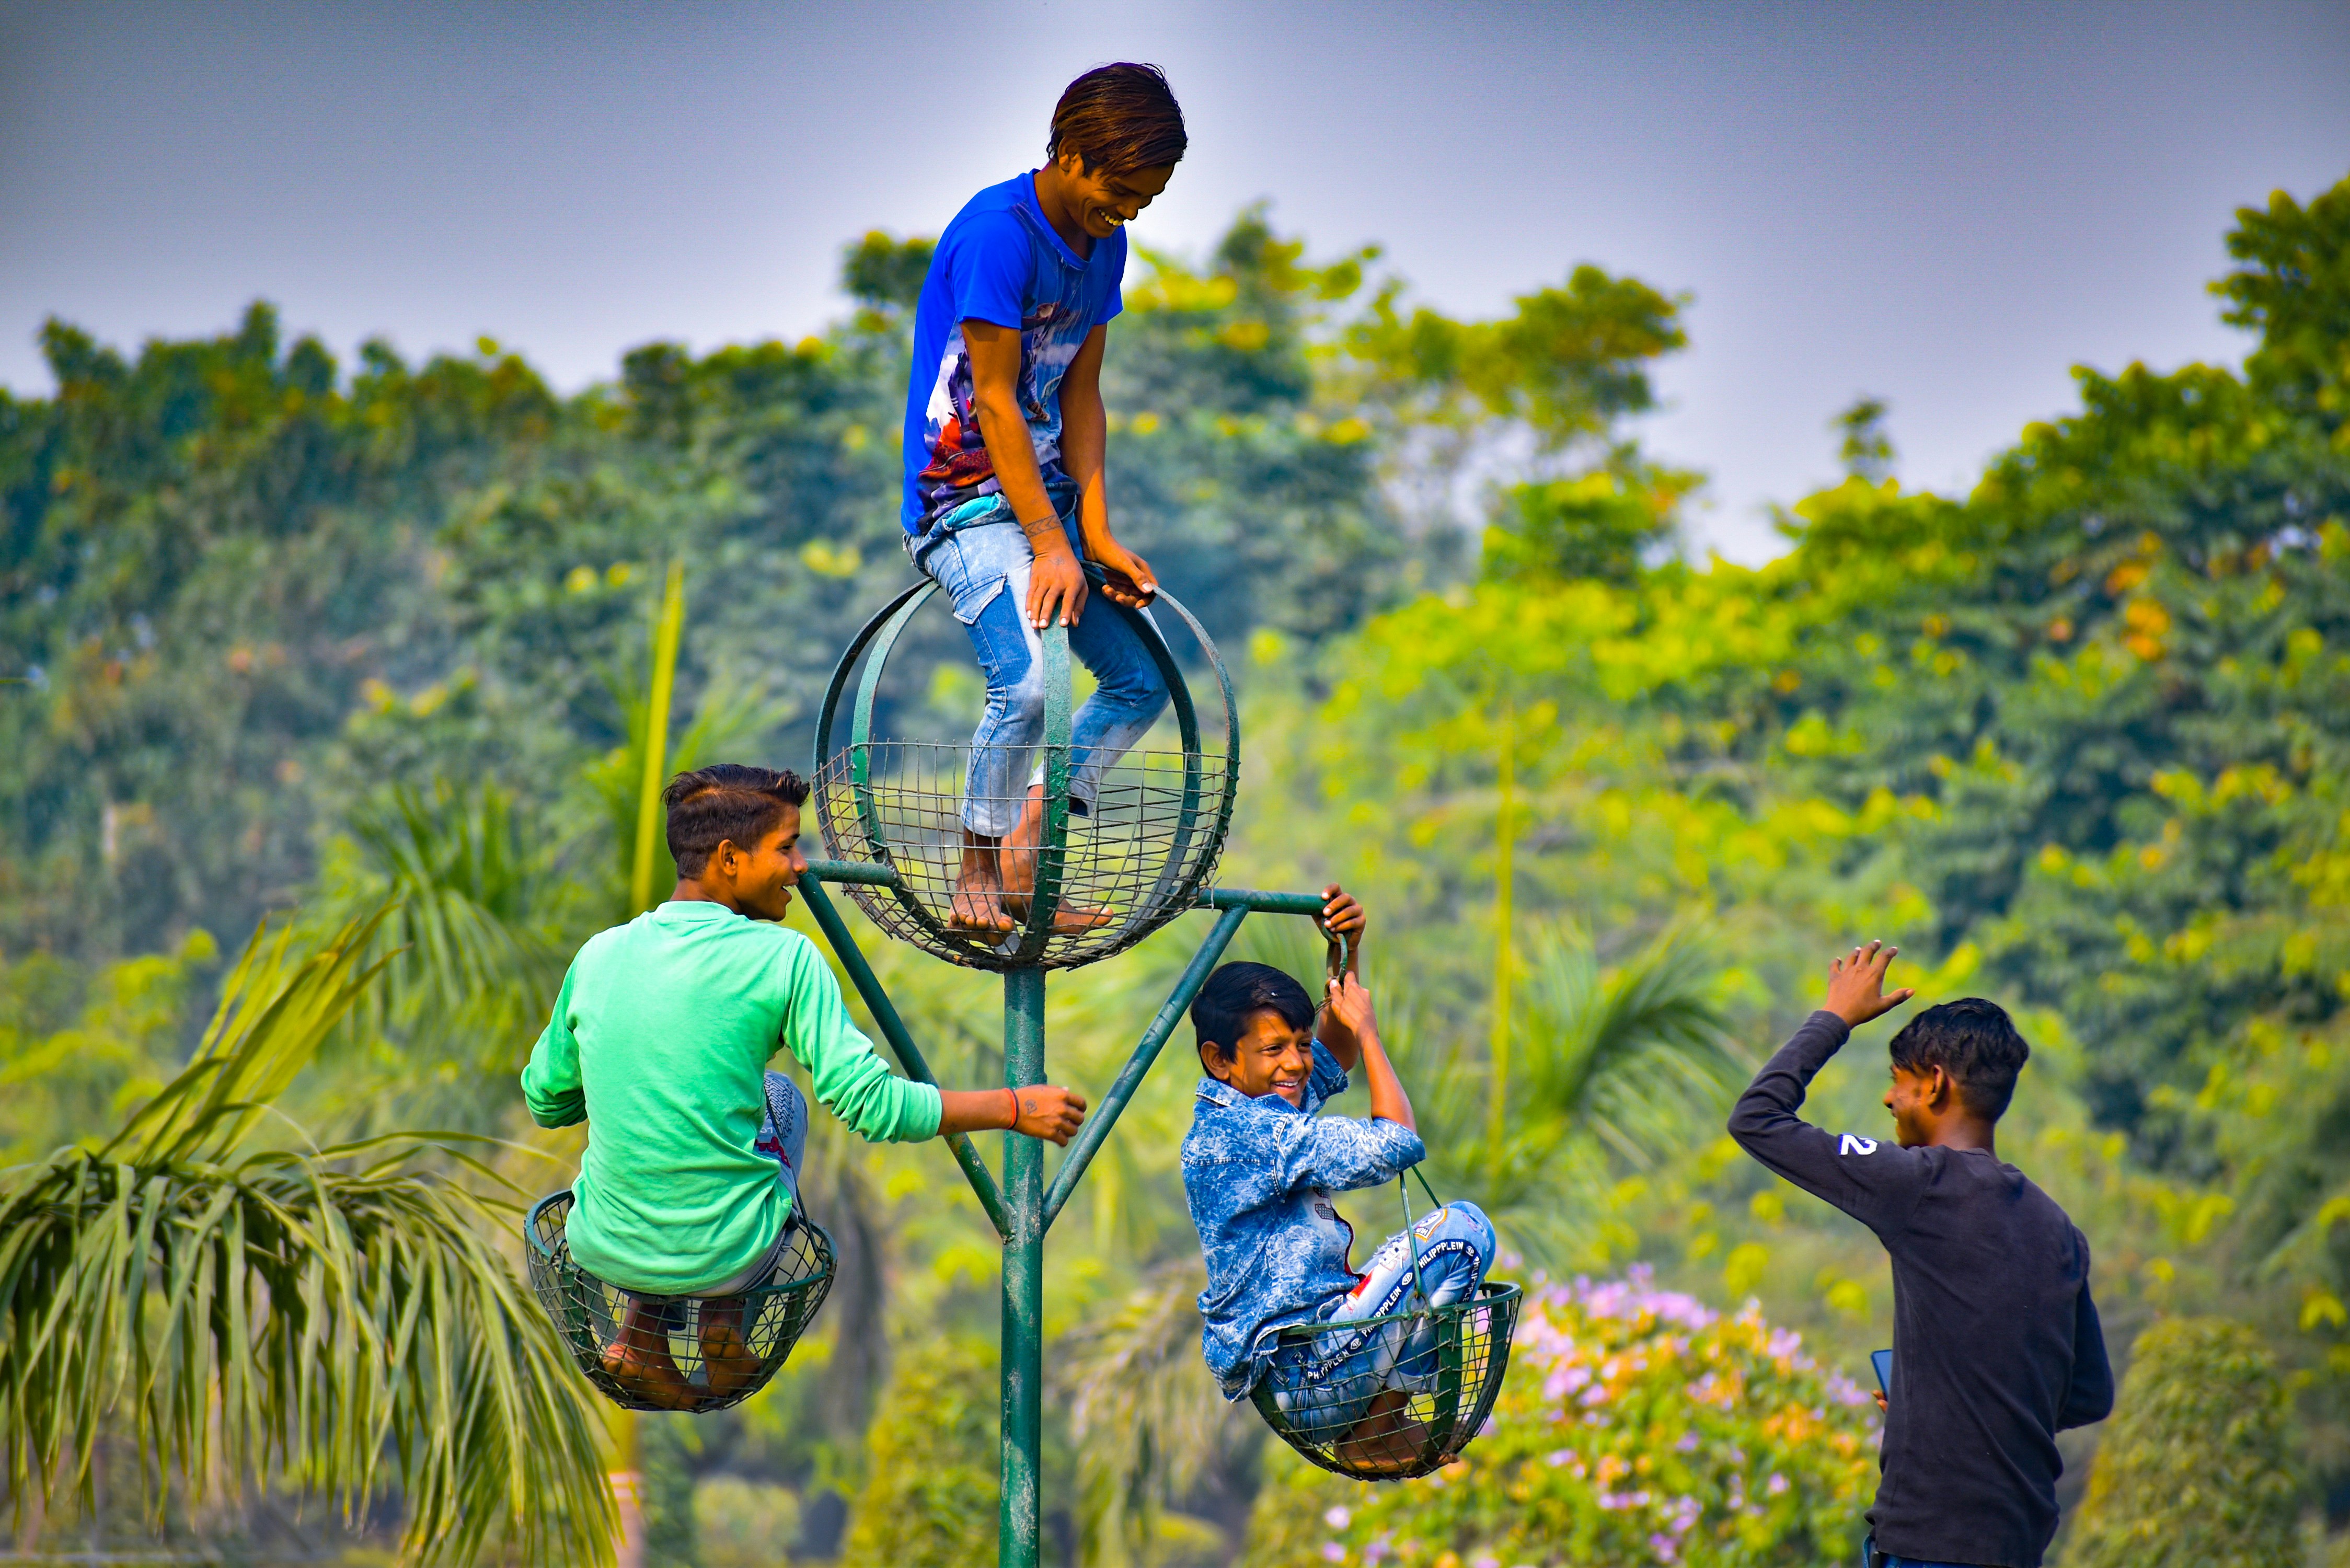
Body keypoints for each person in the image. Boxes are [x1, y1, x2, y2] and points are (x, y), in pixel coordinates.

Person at [521, 764, 1089, 1408]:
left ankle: (641, 1335)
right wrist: (1015, 1107)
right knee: (781, 1098)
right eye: (786, 848)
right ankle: (720, 1322)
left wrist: (631, 1075)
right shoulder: (784, 959)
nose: (800, 868)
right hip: (729, 1257)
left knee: (649, 1106)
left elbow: (546, 1100)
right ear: (730, 860)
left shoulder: (599, 955)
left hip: (606, 1248)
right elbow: (872, 1106)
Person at [898, 63, 1186, 935]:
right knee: (1024, 689)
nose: (1131, 212)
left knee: (1141, 680)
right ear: (1068, 153)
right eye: (1120, 190)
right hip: (964, 500)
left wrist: (1091, 532)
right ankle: (975, 872)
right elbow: (992, 401)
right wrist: (1049, 546)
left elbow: (1080, 395)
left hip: (1046, 503)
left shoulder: (1107, 245)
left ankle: (1030, 845)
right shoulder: (999, 234)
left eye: (1148, 197)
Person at [1727, 940, 2114, 1568]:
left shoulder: (1916, 1184)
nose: (1887, 1101)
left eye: (1895, 1082)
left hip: (1926, 1545)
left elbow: (1758, 1118)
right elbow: (2087, 1396)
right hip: (2017, 1547)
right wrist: (1940, 1399)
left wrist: (1835, 1018)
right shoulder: (2057, 1228)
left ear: (1933, 1085)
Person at [1180, 890, 1497, 1473]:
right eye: (1273, 1049)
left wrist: (1347, 953)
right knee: (1460, 1232)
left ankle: (1377, 1420)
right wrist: (1370, 1033)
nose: (1296, 1063)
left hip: (1327, 1362)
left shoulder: (1257, 1110)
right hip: (1308, 1378)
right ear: (1220, 1060)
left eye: (1298, 1045)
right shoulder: (1250, 1135)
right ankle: (1374, 1426)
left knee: (1448, 1268)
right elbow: (1397, 1142)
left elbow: (1333, 1054)